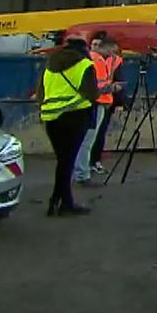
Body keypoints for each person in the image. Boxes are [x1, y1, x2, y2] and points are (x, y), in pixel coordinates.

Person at [39, 37, 98, 216]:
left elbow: (41, 92)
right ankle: (63, 204)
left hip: (51, 118)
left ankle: (58, 201)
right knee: (67, 161)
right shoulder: (85, 64)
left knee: (63, 161)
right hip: (75, 117)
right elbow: (91, 93)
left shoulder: (50, 65)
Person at [81, 35, 123, 177]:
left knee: (95, 137)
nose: (114, 53)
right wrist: (109, 89)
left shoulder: (110, 60)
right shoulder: (92, 59)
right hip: (96, 102)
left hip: (104, 102)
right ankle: (83, 172)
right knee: (88, 140)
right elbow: (95, 85)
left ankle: (88, 166)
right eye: (112, 50)